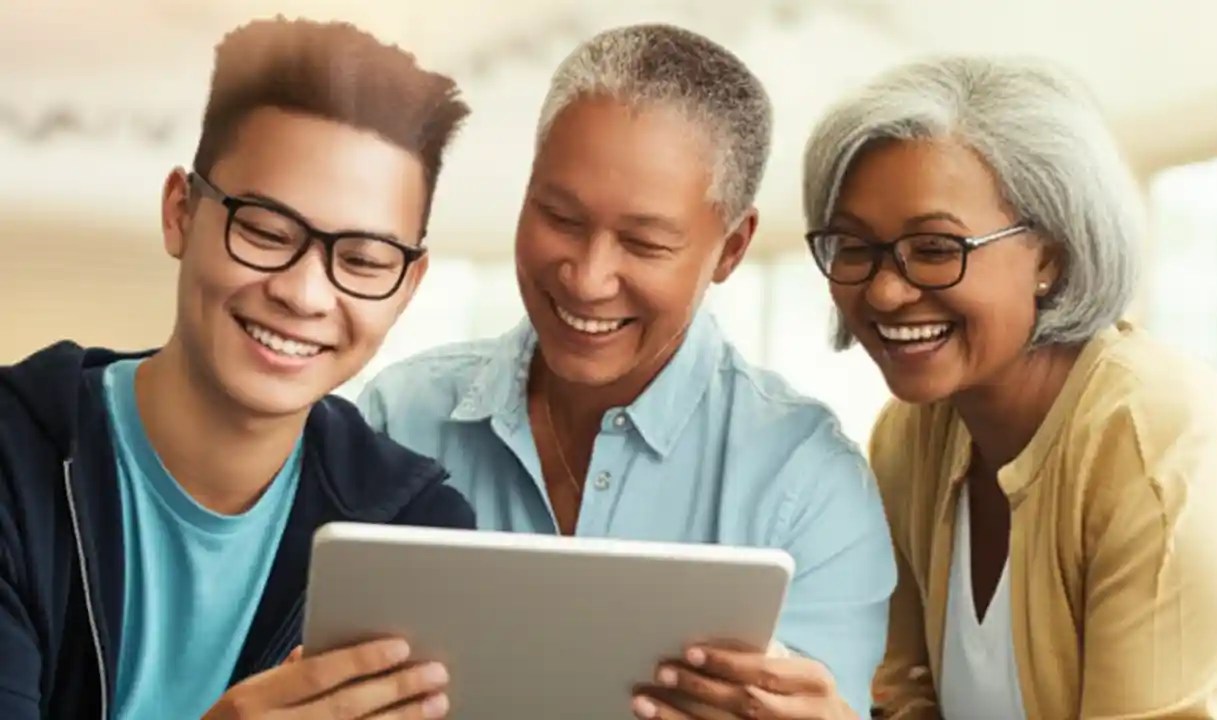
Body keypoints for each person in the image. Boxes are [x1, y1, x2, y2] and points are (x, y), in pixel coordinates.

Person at [359, 22, 895, 720]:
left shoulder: (807, 484)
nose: (586, 278)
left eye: (644, 243)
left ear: (731, 250)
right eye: (559, 215)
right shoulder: (398, 420)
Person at [0, 17, 479, 719]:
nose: (304, 294)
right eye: (264, 230)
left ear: (407, 286)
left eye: (364, 261)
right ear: (180, 213)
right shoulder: (15, 461)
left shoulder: (418, 535)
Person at [801, 54, 1217, 719]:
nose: (884, 289)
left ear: (1050, 256)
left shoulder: (1164, 447)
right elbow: (900, 701)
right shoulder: (909, 437)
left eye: (936, 248)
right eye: (854, 246)